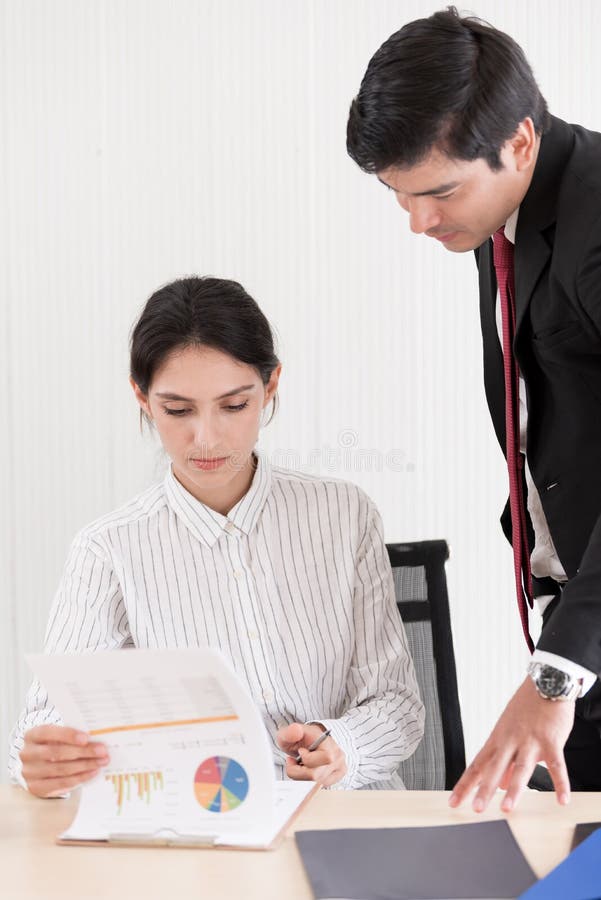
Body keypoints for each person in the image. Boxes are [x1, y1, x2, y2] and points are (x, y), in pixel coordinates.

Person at [8, 275, 424, 798]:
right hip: (205, 834)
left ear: (270, 387)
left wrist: (342, 746)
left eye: (233, 405)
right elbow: (41, 730)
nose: (205, 437)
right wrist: (44, 764)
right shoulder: (109, 549)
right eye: (178, 410)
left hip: (346, 819)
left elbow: (397, 704)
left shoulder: (345, 515)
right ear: (142, 397)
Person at [346, 7, 601, 811]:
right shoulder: (496, 210)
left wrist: (556, 672)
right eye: (399, 196)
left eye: (436, 193)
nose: (418, 222)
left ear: (519, 142)